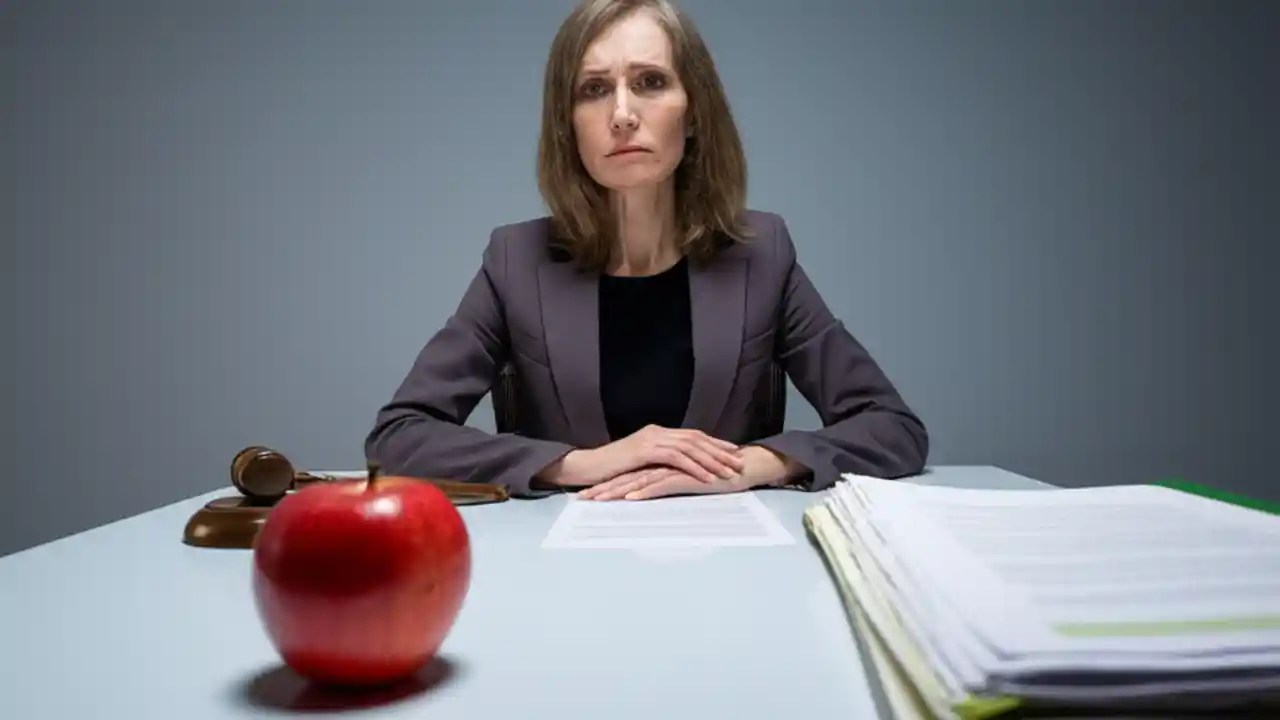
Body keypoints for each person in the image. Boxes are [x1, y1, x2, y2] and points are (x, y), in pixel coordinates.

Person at [364, 0, 927, 502]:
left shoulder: (763, 254)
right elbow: (399, 437)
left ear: (695, 112)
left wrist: (751, 465)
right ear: (569, 126)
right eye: (594, 89)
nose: (622, 113)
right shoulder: (515, 261)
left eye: (651, 82)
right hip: (558, 569)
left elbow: (893, 429)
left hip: (733, 566)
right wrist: (579, 464)